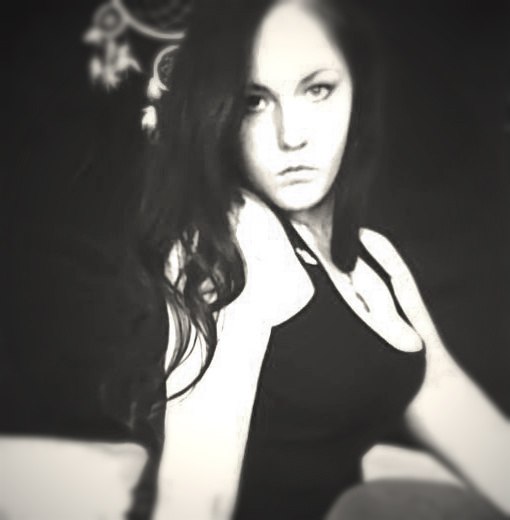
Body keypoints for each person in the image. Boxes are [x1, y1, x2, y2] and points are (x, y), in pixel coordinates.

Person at [0, 0, 508, 519]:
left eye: (318, 89)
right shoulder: (238, 238)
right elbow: (197, 497)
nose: (292, 135)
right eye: (255, 101)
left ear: (358, 93)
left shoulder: (374, 257)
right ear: (219, 115)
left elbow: (446, 397)